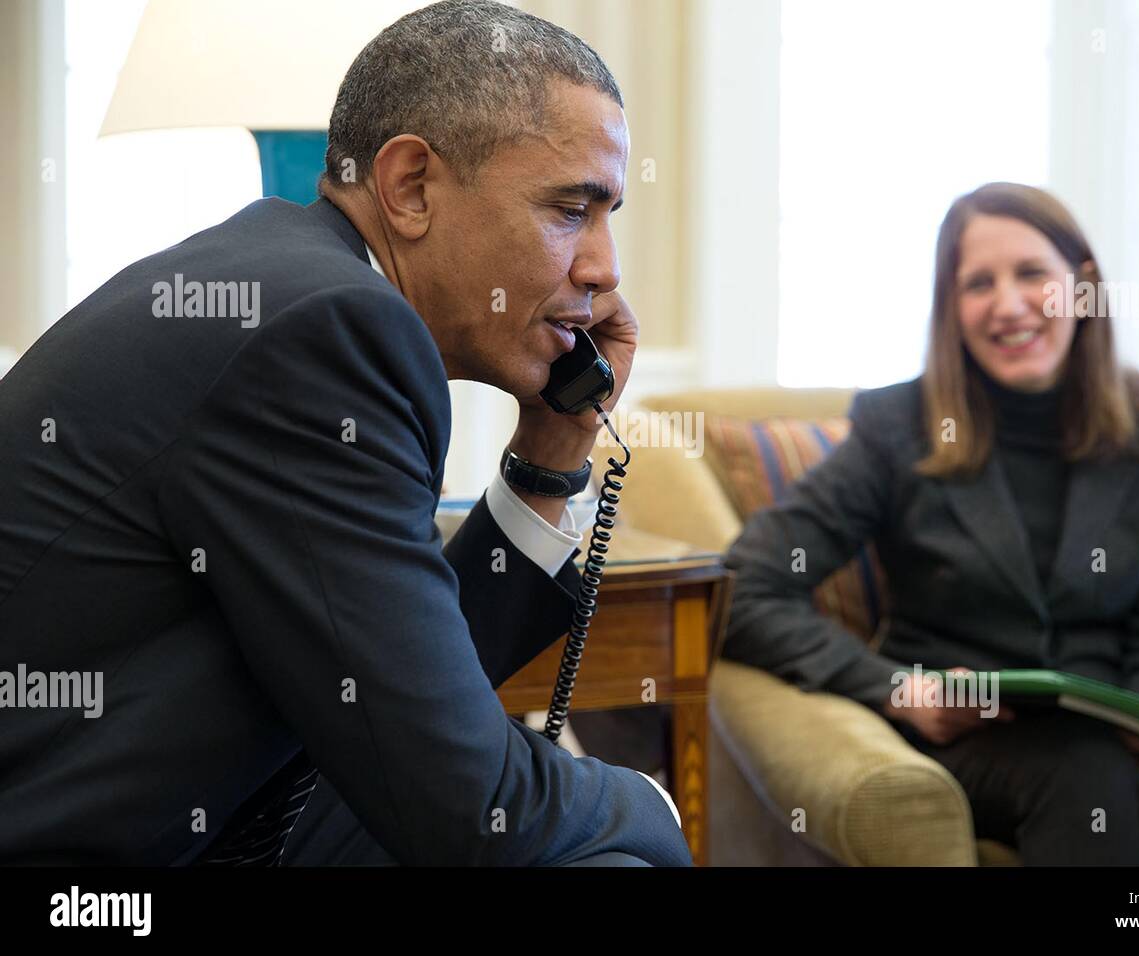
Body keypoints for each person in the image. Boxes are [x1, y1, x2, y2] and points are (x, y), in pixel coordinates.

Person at [0, 0, 689, 867]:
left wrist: (552, 452)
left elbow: (406, 707)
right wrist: (654, 803)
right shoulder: (327, 334)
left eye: (607, 213)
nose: (605, 267)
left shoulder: (297, 291)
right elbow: (464, 802)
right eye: (569, 209)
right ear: (410, 187)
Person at [722, 182, 1139, 865]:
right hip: (981, 741)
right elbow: (743, 587)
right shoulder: (899, 426)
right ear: (951, 307)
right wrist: (899, 689)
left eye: (1031, 273)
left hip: (1128, 739)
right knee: (1084, 772)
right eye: (978, 284)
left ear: (1083, 286)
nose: (1008, 304)